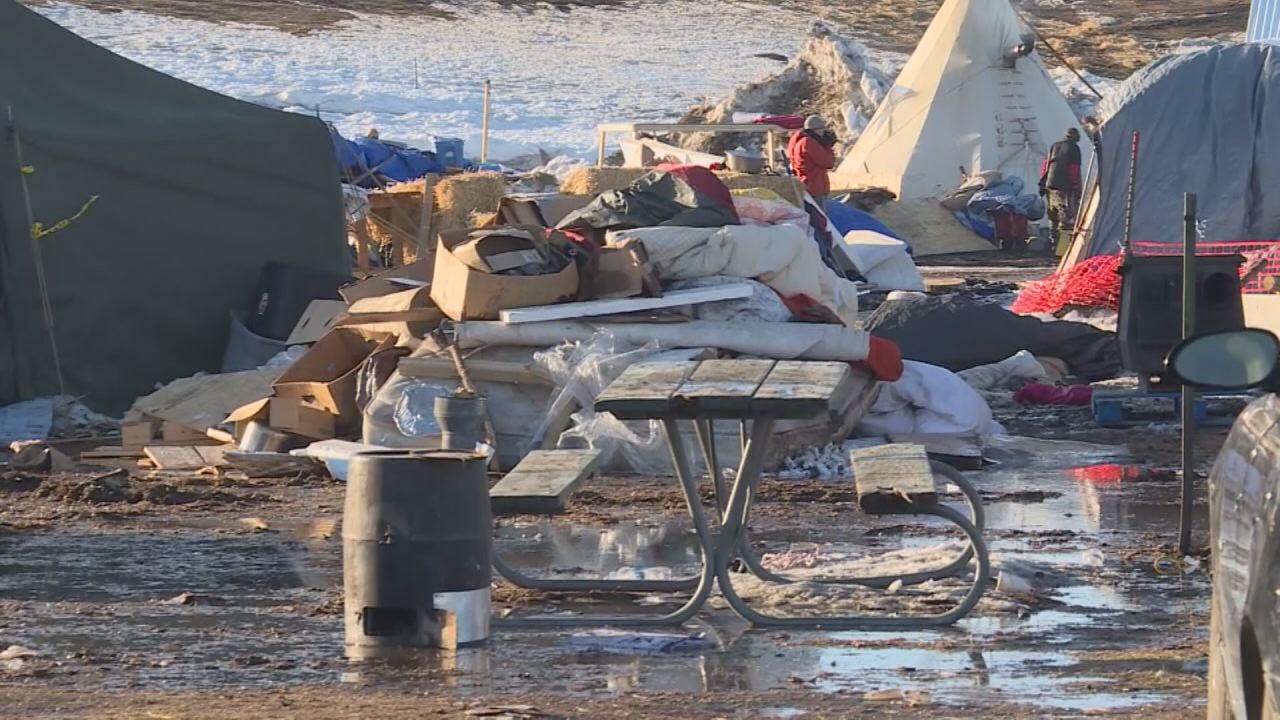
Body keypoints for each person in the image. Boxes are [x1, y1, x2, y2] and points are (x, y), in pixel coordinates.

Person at [1039, 127, 1083, 242]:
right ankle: (1063, 245)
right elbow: (1074, 169)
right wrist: (1075, 186)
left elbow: (1046, 165)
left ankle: (1053, 240)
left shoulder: (1055, 146)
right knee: (1065, 216)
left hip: (1050, 184)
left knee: (1052, 216)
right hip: (1063, 186)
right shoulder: (1074, 149)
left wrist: (1043, 182)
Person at [787, 115, 837, 201]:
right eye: (822, 130)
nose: (823, 133)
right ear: (815, 130)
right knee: (818, 213)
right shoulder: (809, 142)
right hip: (815, 187)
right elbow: (828, 163)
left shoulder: (800, 141)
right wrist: (828, 146)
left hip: (807, 185)